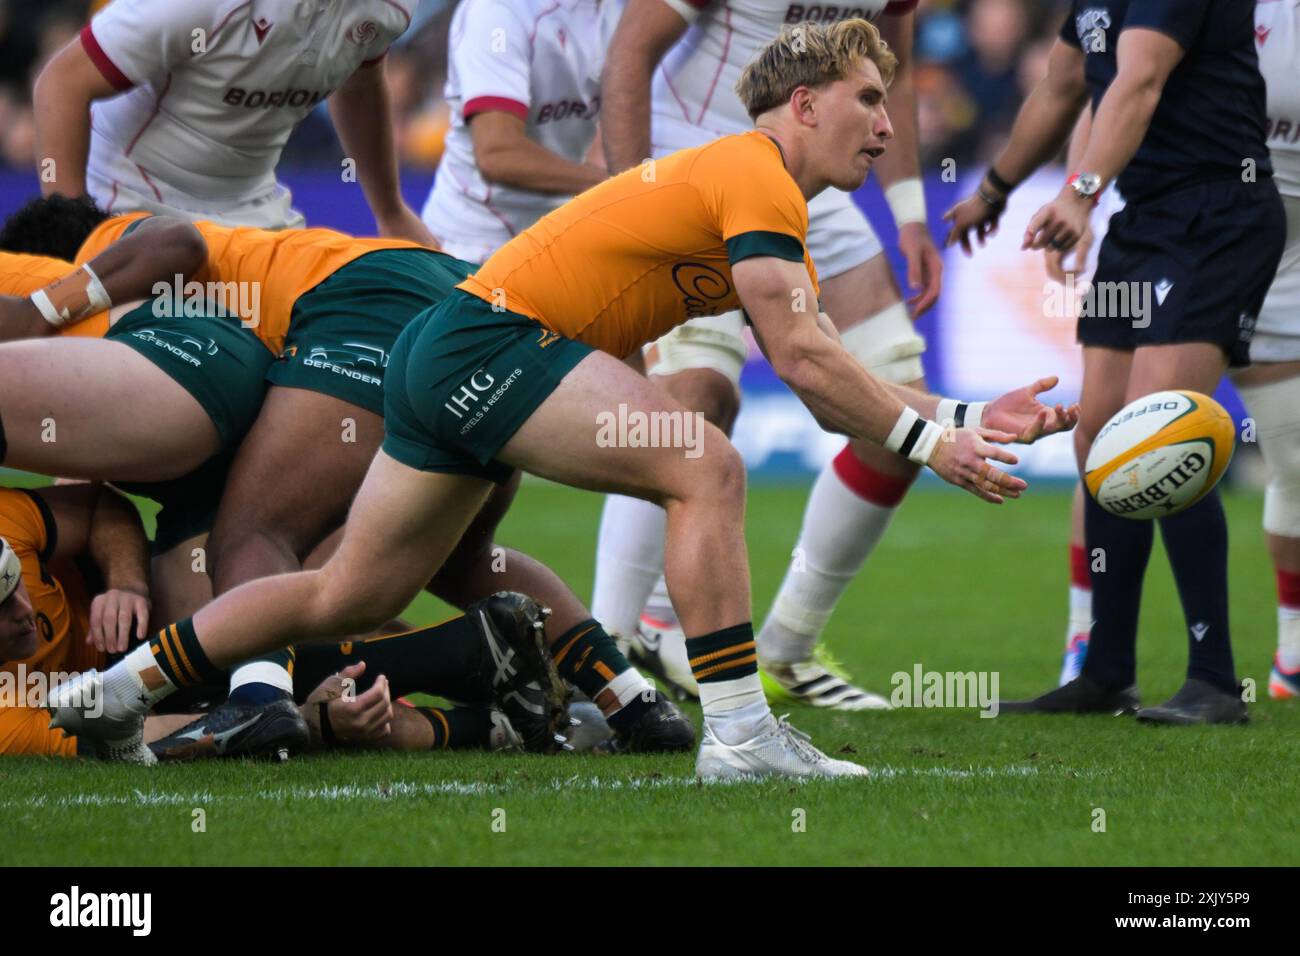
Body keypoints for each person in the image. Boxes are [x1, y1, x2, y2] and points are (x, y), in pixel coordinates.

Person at [52, 18, 1075, 778]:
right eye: (867, 102)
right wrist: (930, 435)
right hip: (489, 338)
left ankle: (116, 689)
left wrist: (959, 417)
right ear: (802, 105)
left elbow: (815, 378)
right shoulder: (757, 173)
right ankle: (741, 734)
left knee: (346, 593)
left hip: (450, 346)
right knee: (703, 461)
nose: (889, 130)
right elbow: (808, 358)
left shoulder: (759, 190)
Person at [2, 203, 688, 754]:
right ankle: (631, 700)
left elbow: (174, 241)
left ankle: (260, 701)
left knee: (259, 533)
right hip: (468, 306)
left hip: (369, 305)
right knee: (460, 557)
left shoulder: (113, 242)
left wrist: (41, 309)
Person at [595, 0, 949, 710]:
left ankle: (785, 646)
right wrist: (632, 201)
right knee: (690, 404)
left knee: (897, 419)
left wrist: (910, 212)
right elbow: (630, 55)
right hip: (694, 160)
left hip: (806, 173)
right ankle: (608, 648)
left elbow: (893, 75)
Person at [947, 0, 1286, 723]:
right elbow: (1062, 88)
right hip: (1146, 218)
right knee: (1101, 439)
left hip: (1218, 214)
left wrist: (1079, 193)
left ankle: (1216, 680)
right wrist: (993, 190)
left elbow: (1138, 82)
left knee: (1161, 435)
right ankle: (1105, 673)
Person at [33, 0, 434, 241]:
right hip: (130, 205)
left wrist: (390, 211)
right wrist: (70, 235)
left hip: (256, 213)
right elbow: (61, 84)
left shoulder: (390, 6)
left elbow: (360, 86)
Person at [418, 0, 621, 264]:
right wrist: (618, 187)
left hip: (553, 237)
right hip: (470, 248)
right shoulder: (496, 13)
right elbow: (498, 154)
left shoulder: (624, 11)